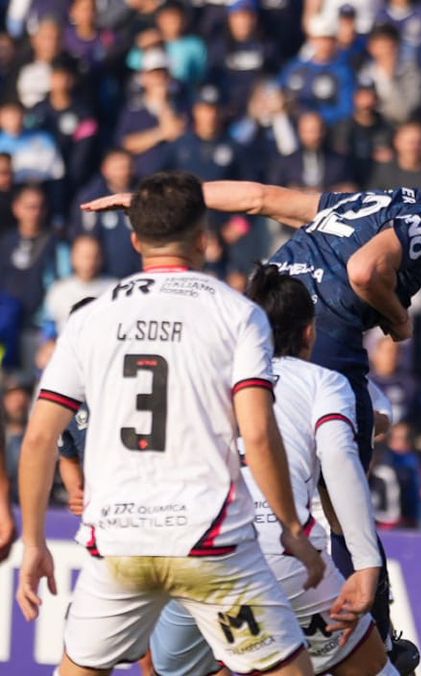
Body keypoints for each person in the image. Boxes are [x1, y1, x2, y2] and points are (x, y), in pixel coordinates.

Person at [81, 174, 421, 663]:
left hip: (258, 330)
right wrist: (398, 318)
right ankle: (374, 635)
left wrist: (156, 203)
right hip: (319, 342)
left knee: (342, 426)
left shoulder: (367, 203)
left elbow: (260, 199)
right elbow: (366, 272)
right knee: (344, 495)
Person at [16, 172, 324, 676]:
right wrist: (292, 528)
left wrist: (34, 545)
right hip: (209, 545)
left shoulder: (90, 318)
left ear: (136, 240)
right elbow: (259, 434)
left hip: (118, 546)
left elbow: (39, 439)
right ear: (203, 237)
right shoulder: (237, 314)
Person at [150, 265, 395, 675]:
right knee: (370, 669)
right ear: (309, 332)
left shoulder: (206, 377)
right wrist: (366, 562)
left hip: (192, 551)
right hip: (280, 552)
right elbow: (340, 462)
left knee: (173, 665)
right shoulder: (323, 383)